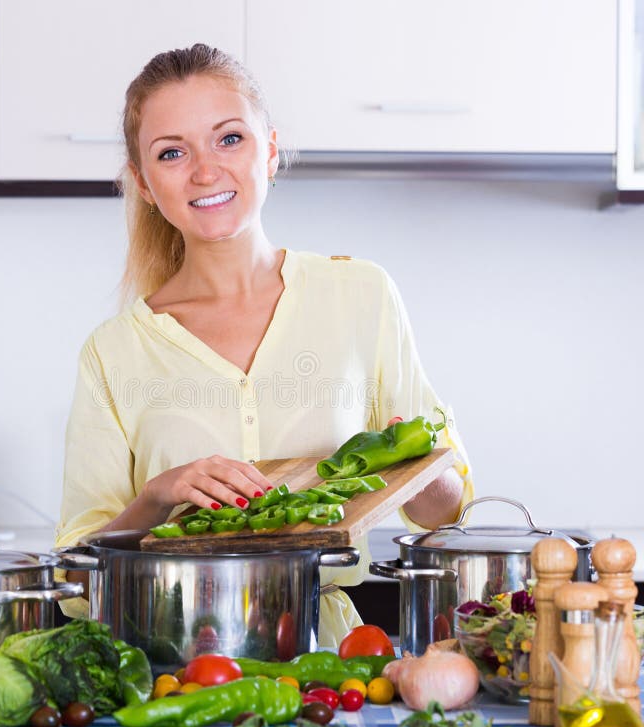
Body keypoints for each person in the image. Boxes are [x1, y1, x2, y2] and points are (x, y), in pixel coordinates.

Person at [55, 43, 473, 645]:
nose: (204, 171)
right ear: (145, 183)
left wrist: (417, 465)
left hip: (327, 656)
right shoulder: (114, 351)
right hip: (169, 659)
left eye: (229, 139)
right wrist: (157, 496)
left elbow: (448, 513)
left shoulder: (361, 294)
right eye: (172, 153)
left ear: (270, 150)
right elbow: (74, 575)